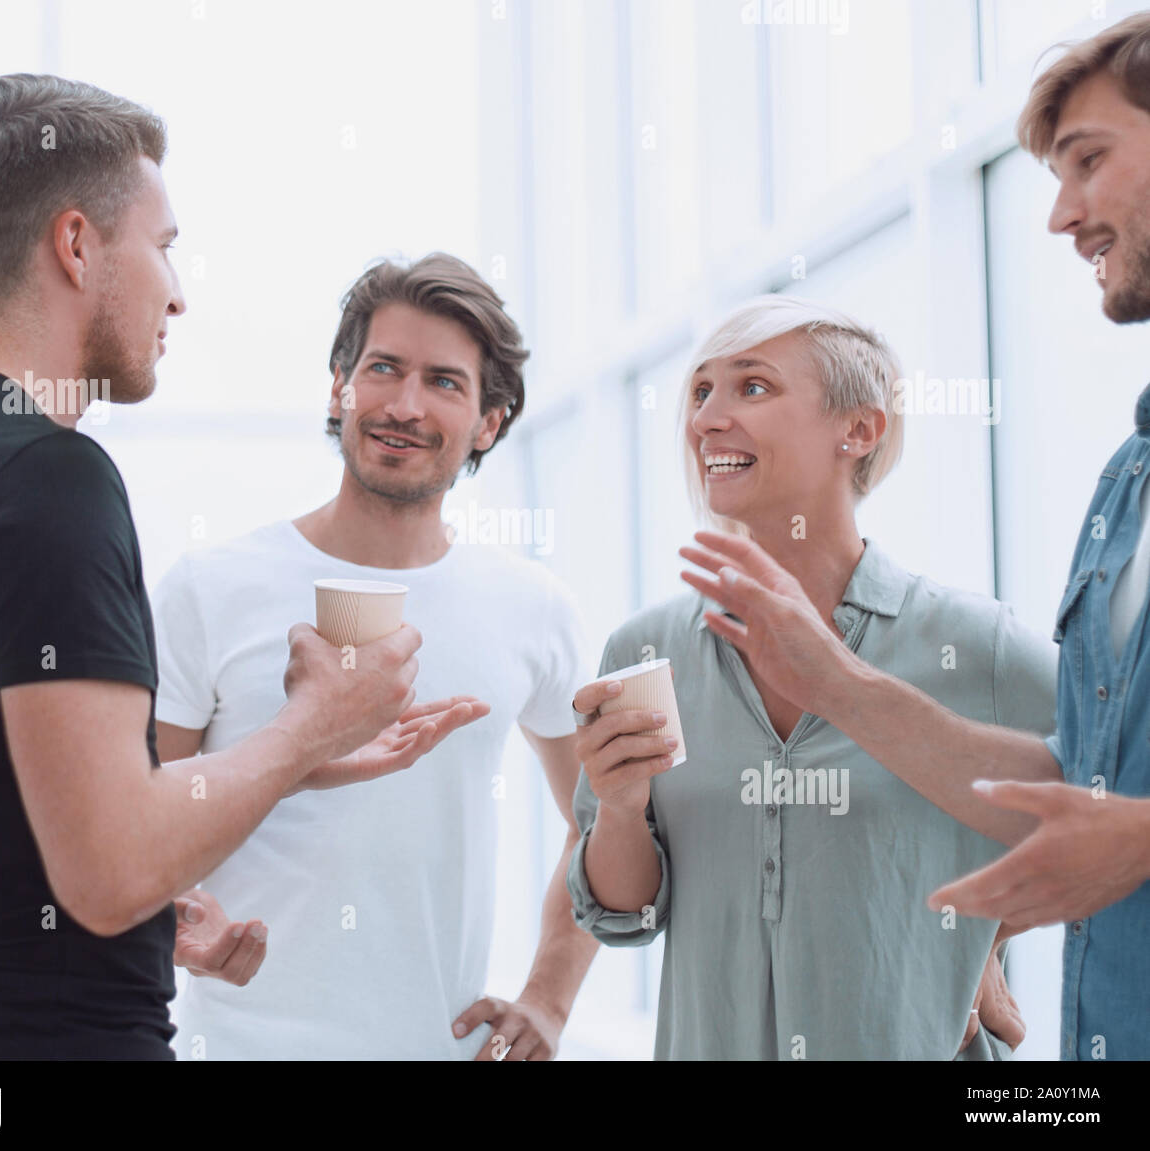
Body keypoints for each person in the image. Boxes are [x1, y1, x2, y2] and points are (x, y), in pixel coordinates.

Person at [0, 75, 478, 1061]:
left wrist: (156, 917)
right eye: (164, 246)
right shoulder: (47, 473)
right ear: (74, 244)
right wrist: (315, 719)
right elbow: (104, 867)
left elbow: (20, 838)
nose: (178, 291)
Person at [685, 13, 1150, 1063]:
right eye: (700, 389)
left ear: (861, 431)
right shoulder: (1124, 488)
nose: (1060, 217)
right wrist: (837, 683)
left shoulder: (965, 632)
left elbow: (1112, 826)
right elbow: (1071, 781)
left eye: (1088, 161)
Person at [564, 296, 1054, 1059]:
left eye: (751, 387)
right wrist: (621, 809)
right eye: (701, 392)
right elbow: (622, 915)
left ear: (856, 430)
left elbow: (1118, 796)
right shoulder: (646, 649)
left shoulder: (972, 647)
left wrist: (989, 936)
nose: (705, 419)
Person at [152, 253, 600, 1060]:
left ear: (490, 422)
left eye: (445, 382)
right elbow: (138, 818)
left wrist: (550, 998)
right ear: (339, 387)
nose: (404, 404)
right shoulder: (210, 587)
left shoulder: (532, 608)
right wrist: (178, 919)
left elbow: (595, 819)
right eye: (383, 368)